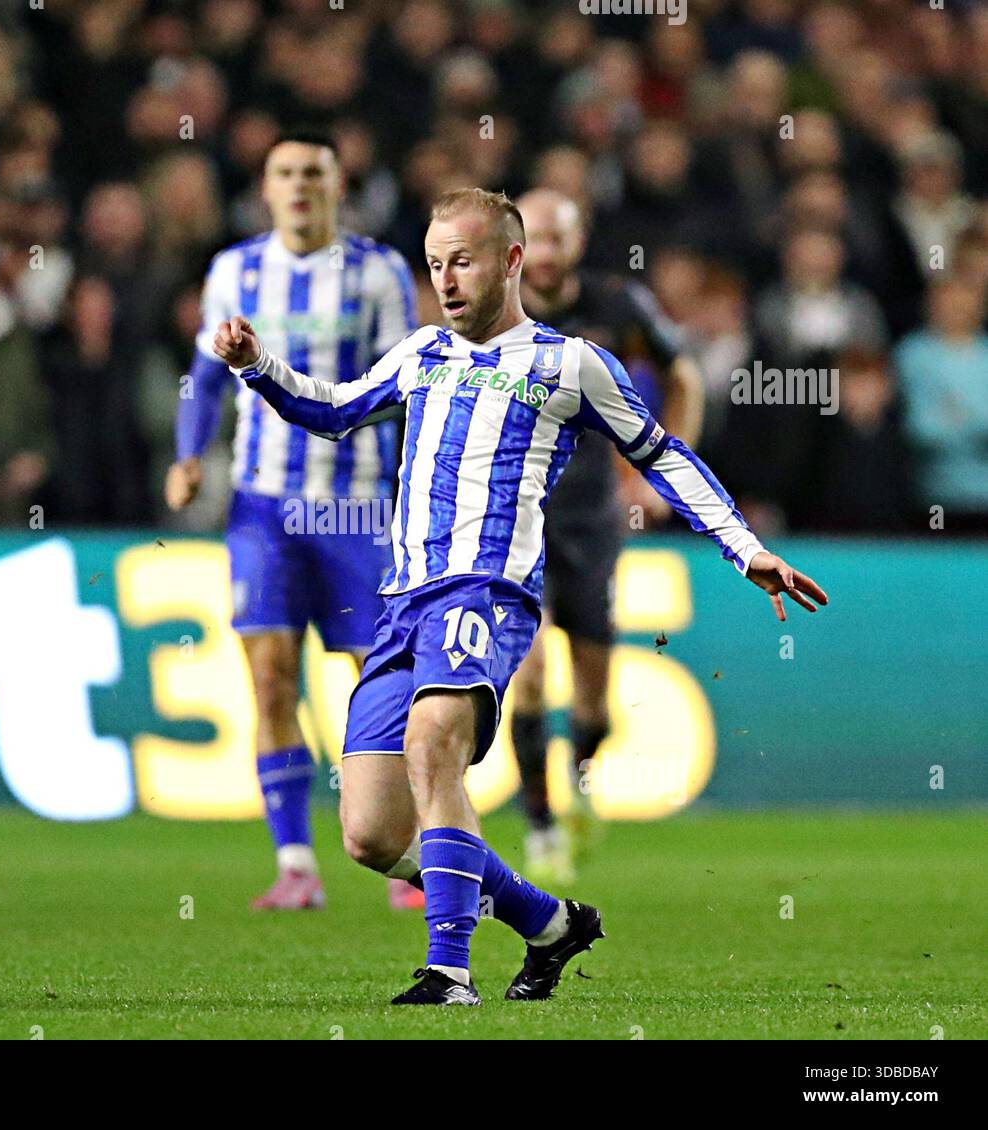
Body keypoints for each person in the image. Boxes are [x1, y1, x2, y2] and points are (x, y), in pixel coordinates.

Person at [213, 187, 827, 1005]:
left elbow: (662, 451)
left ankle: (449, 971)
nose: (446, 280)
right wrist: (259, 366)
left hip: (490, 593)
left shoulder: (569, 364)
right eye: (434, 265)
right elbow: (331, 412)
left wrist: (743, 548)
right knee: (371, 835)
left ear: (509, 261)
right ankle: (548, 923)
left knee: (434, 742)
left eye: (461, 261)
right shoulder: (422, 352)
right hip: (403, 605)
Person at [165, 131, 419, 910]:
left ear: (339, 186)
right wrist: (188, 454)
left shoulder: (379, 271)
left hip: (358, 506)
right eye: (285, 173)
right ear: (265, 190)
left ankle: (404, 855)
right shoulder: (233, 271)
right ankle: (297, 865)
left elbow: (406, 382)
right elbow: (205, 380)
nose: (301, 185)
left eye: (315, 172)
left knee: (373, 681)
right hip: (264, 507)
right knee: (270, 676)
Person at [506, 189, 706, 884]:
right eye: (537, 238)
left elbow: (683, 375)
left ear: (579, 242)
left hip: (591, 512)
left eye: (560, 237)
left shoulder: (618, 306)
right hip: (514, 513)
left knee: (592, 697)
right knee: (525, 677)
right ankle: (538, 827)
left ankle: (583, 777)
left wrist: (657, 476)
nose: (549, 253)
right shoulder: (490, 307)